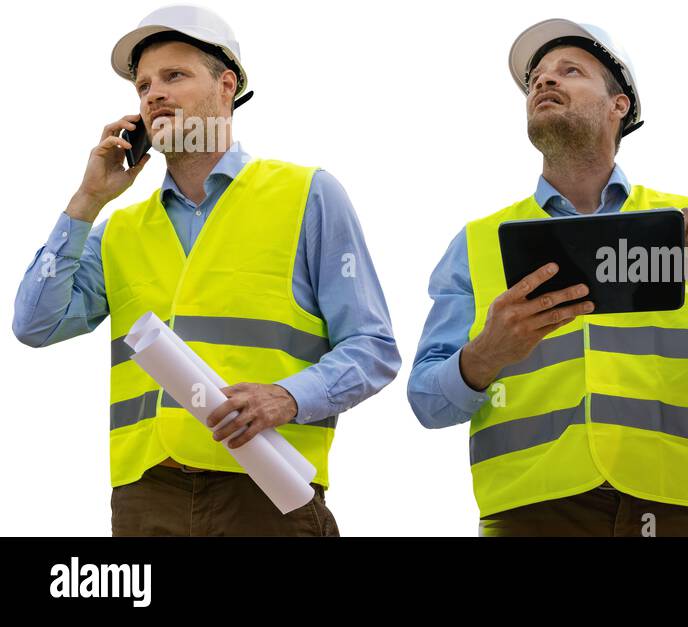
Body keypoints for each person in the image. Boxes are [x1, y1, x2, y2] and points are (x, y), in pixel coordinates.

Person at [408, 19, 688, 536]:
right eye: (536, 80)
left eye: (569, 71)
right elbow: (425, 401)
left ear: (619, 106)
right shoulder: (476, 243)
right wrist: (485, 354)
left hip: (686, 513)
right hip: (531, 517)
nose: (544, 83)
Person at [12, 5, 400, 536]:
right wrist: (86, 201)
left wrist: (288, 397)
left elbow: (373, 346)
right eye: (143, 85)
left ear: (226, 85)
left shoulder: (308, 195)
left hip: (266, 484)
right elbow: (35, 325)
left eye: (174, 76)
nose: (153, 95)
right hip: (145, 497)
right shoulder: (118, 229)